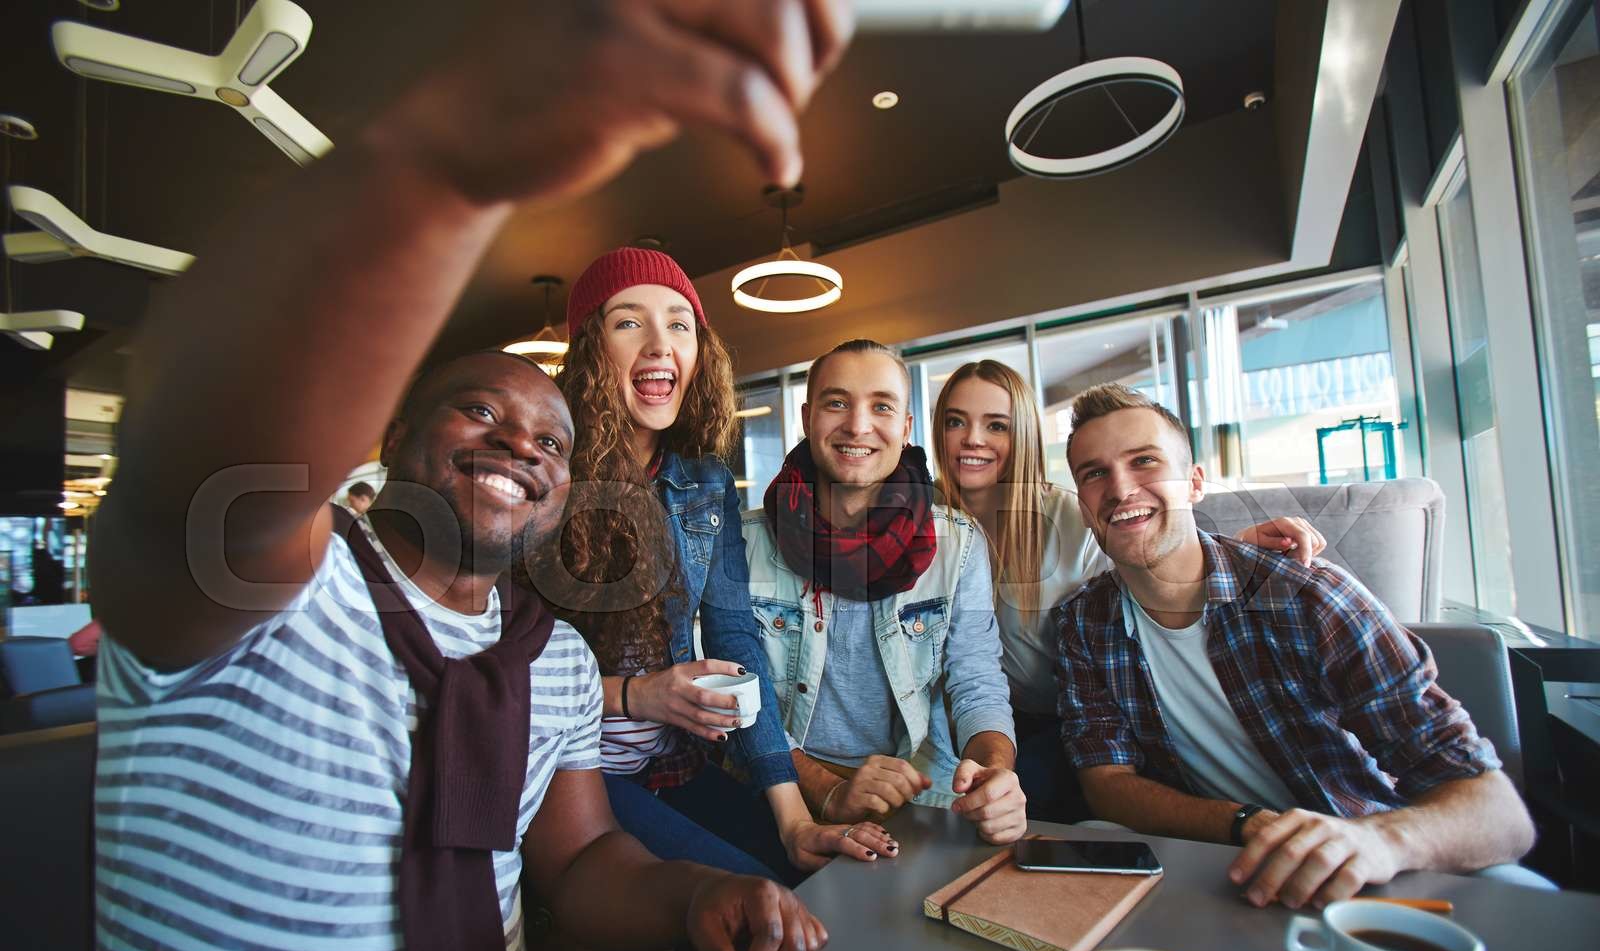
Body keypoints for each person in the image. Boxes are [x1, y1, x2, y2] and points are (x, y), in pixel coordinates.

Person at [84, 2, 854, 951]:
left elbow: (582, 860)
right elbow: (197, 469)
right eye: (481, 413)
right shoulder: (277, 580)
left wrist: (699, 890)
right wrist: (437, 164)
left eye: (549, 440)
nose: (524, 445)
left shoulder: (551, 661)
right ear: (391, 435)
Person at [1055, 384, 1538, 909]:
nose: (1121, 488)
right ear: (1083, 504)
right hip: (1220, 862)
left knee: (1522, 892)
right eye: (1095, 473)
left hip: (1366, 855)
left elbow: (1501, 816)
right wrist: (1250, 825)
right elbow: (1107, 783)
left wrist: (1377, 842)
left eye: (1144, 462)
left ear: (1194, 484)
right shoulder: (1085, 622)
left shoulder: (1309, 596)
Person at [542, 247, 892, 887]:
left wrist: (791, 816)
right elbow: (508, 682)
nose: (658, 344)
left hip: (672, 759)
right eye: (628, 322)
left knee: (803, 879)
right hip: (571, 774)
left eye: (679, 324)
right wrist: (640, 695)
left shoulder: (704, 482)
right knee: (740, 899)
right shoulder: (545, 479)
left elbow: (735, 637)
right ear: (591, 349)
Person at [930, 360, 1326, 821]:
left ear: (1023, 438)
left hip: (1077, 720)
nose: (973, 439)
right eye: (956, 421)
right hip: (968, 719)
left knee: (1026, 792)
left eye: (996, 425)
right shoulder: (924, 519)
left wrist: (1232, 552)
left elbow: (1146, 566)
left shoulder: (1074, 518)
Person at [744, 340, 1028, 845]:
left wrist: (995, 772)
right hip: (782, 790)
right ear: (808, 419)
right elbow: (739, 700)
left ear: (905, 428)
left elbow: (977, 681)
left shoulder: (957, 543)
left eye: (881, 406)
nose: (858, 426)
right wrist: (828, 788)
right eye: (837, 403)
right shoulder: (744, 542)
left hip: (921, 787)